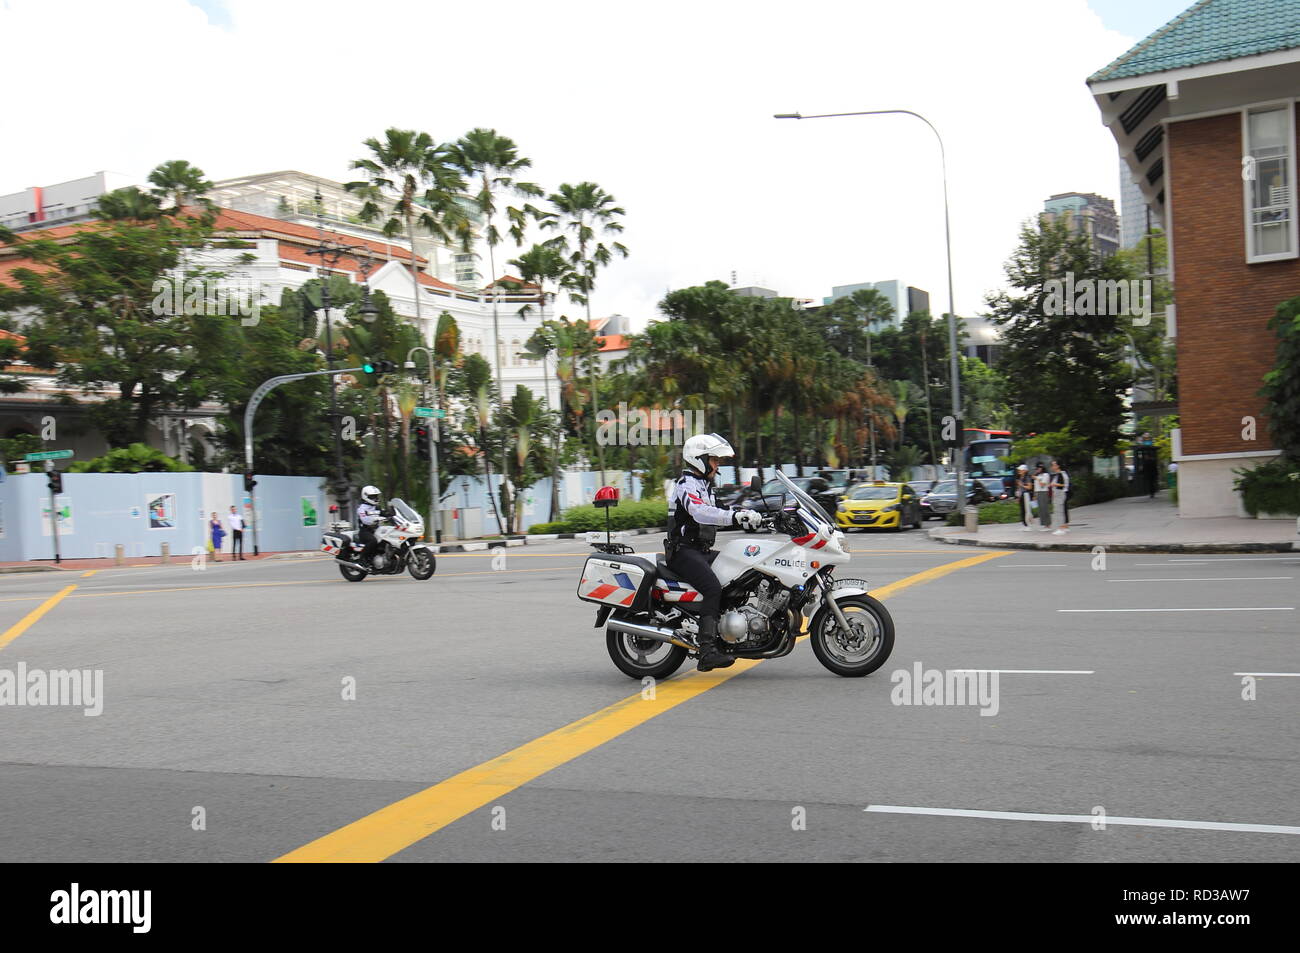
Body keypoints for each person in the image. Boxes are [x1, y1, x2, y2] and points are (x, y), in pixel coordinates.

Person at [666, 433, 761, 672]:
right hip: (683, 551)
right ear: (700, 459)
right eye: (714, 460)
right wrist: (735, 516)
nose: (717, 465)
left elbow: (721, 509)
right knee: (712, 588)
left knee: (742, 571)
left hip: (701, 550)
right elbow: (701, 512)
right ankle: (707, 651)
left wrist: (751, 514)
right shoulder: (686, 485)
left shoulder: (704, 485)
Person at [356, 485, 385, 568]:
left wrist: (390, 514)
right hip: (365, 531)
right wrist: (376, 518)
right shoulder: (361, 508)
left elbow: (383, 513)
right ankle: (362, 560)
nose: (375, 498)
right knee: (373, 541)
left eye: (376, 496)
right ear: (366, 496)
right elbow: (365, 520)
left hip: (376, 530)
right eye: (373, 496)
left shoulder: (376, 507)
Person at [1050, 460, 1071, 535]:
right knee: (1059, 510)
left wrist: (1054, 484)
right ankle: (1063, 527)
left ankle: (1061, 528)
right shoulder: (1059, 474)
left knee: (1059, 511)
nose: (1052, 467)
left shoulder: (1061, 474)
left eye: (1053, 465)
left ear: (1058, 466)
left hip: (1060, 493)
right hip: (1059, 493)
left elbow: (1063, 485)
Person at [1033, 463, 1052, 531]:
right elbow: (1036, 486)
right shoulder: (1037, 475)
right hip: (1038, 492)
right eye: (1037, 468)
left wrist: (1037, 479)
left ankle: (1048, 524)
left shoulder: (1045, 475)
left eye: (1039, 468)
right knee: (1040, 509)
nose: (1038, 470)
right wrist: (1035, 494)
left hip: (1043, 492)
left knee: (1045, 508)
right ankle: (1044, 524)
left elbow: (1043, 484)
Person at [1015, 465, 1034, 531]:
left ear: (1025, 470)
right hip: (1021, 495)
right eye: (1019, 470)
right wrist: (1018, 496)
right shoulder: (1020, 477)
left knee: (1027, 510)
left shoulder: (1027, 477)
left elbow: (1029, 487)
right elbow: (1019, 488)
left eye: (1021, 470)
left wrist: (1022, 485)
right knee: (1022, 510)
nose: (1019, 471)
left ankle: (1029, 525)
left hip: (1026, 494)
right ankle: (1025, 524)